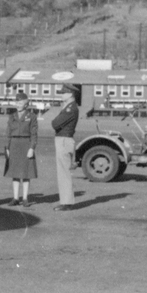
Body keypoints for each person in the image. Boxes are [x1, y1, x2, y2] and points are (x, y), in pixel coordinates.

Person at [4, 92, 37, 207]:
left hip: (26, 144)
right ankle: (15, 198)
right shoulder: (12, 116)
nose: (18, 104)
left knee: (26, 173)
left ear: (26, 104)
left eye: (20, 102)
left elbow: (34, 134)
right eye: (16, 102)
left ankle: (25, 198)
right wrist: (7, 148)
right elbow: (8, 133)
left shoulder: (31, 116)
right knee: (15, 173)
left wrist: (32, 148)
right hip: (14, 145)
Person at [51, 83, 80, 211]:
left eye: (63, 93)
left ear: (70, 94)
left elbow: (55, 123)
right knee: (63, 172)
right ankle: (65, 201)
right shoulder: (69, 107)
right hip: (63, 139)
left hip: (64, 140)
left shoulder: (70, 108)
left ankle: (67, 202)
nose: (61, 95)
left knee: (64, 173)